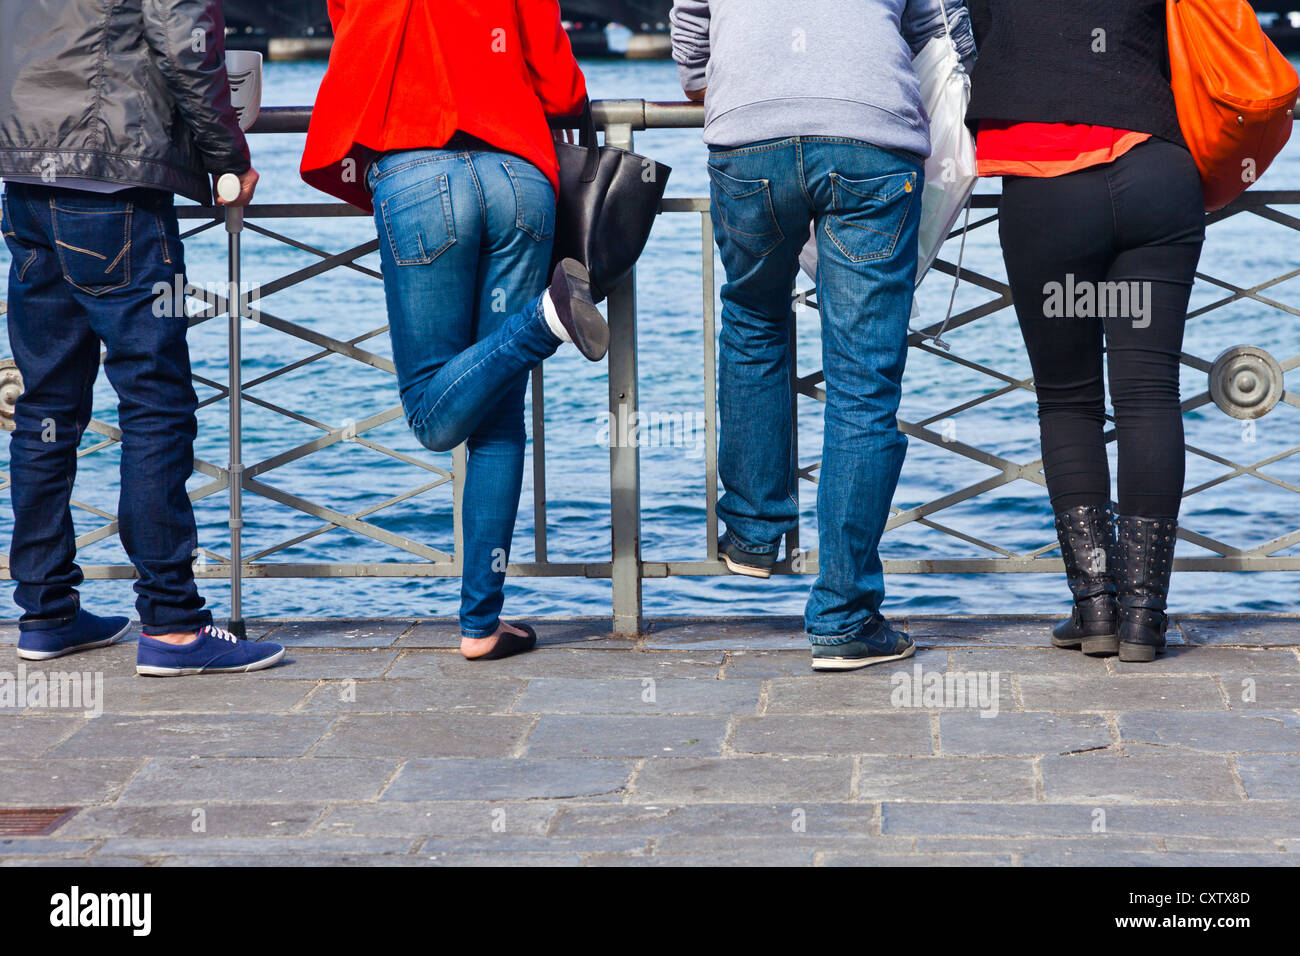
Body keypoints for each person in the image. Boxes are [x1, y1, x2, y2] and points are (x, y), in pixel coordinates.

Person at [670, 0, 976, 671]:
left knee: (753, 318)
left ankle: (753, 534)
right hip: (872, 140)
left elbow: (691, 36)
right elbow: (948, 36)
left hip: (747, 138)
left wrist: (739, 94)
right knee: (863, 382)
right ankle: (842, 618)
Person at [302, 0, 604, 662]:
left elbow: (356, 42)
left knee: (431, 416)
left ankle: (543, 322)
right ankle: (479, 625)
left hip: (418, 171)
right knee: (497, 421)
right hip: (520, 178)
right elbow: (561, 85)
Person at [0, 0, 285, 675]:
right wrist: (227, 161)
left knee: (46, 404)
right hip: (112, 181)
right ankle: (174, 625)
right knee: (156, 403)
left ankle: (45, 612)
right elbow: (187, 44)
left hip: (25, 176)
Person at [967, 0, 1205, 662]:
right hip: (1157, 169)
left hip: (1049, 187)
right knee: (1149, 394)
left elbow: (972, 37)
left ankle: (1096, 610)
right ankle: (1144, 622)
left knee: (1069, 399)